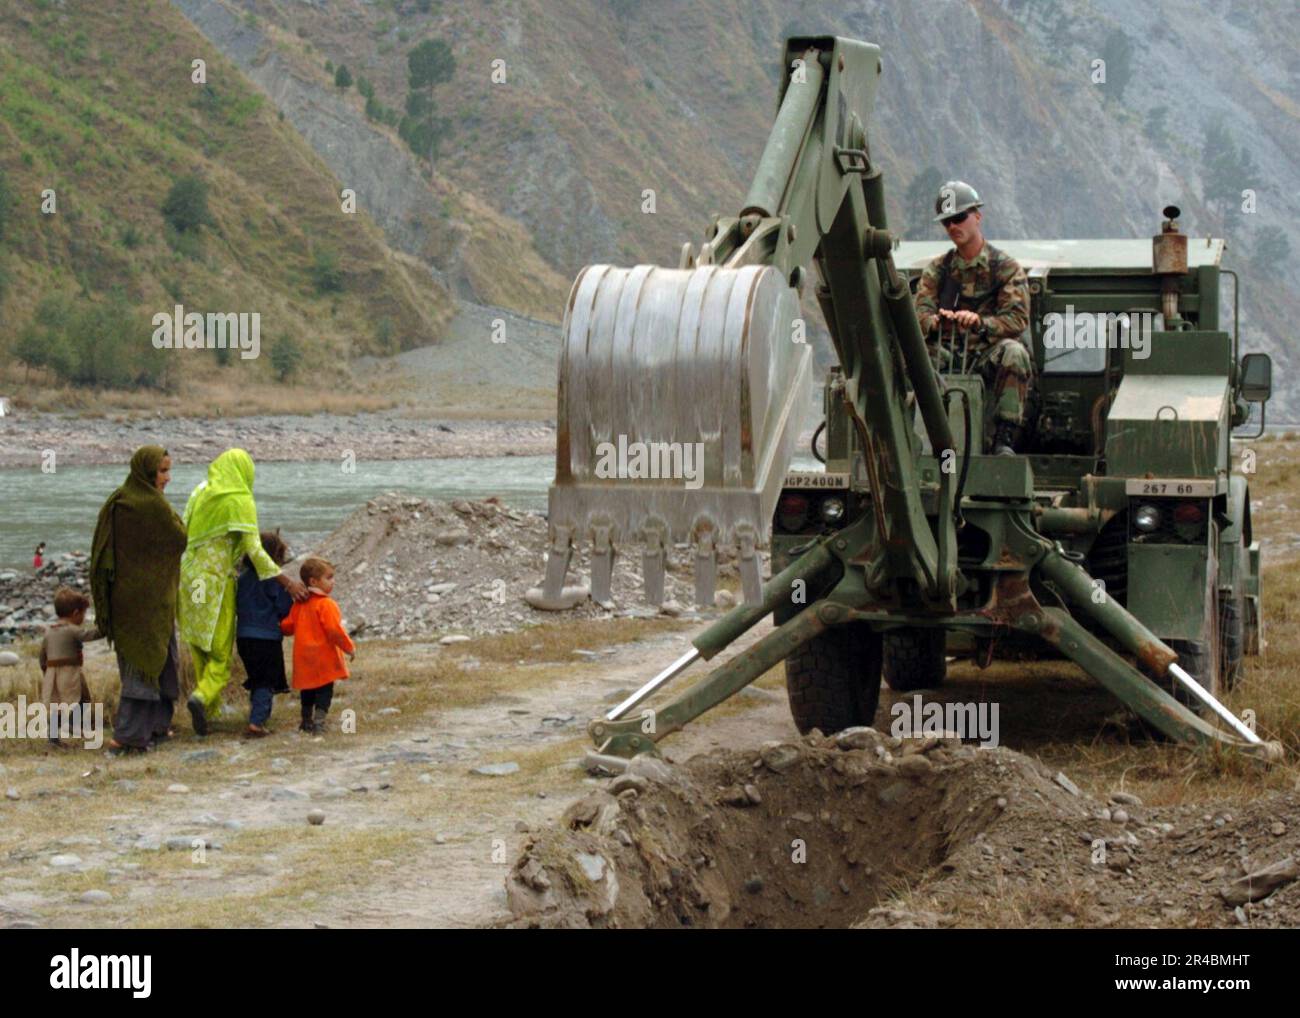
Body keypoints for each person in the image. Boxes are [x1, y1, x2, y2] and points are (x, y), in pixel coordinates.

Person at [178, 449, 307, 736]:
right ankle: (201, 698)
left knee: (199, 645)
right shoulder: (240, 499)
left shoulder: (201, 491)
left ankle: (207, 713)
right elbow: (255, 549)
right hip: (214, 581)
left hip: (188, 578)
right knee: (220, 653)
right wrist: (287, 582)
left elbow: (183, 528)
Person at [913, 180, 1033, 455]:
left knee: (1014, 353)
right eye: (947, 223)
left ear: (977, 216)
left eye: (959, 218)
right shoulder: (938, 270)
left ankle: (1003, 438)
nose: (953, 227)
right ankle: (917, 436)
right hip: (945, 352)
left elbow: (1016, 319)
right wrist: (937, 322)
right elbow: (919, 313)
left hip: (986, 353)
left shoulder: (1005, 268)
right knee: (912, 358)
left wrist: (979, 323)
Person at [90, 446, 189, 754]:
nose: (167, 478)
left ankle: (154, 728)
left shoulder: (119, 501)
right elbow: (179, 539)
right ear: (146, 471)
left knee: (153, 662)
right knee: (146, 665)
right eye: (162, 471)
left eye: (168, 470)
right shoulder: (150, 505)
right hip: (145, 604)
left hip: (132, 601)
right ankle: (128, 737)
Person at [281, 557, 355, 734]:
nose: (333, 581)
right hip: (323, 658)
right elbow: (334, 630)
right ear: (314, 581)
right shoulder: (326, 604)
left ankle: (306, 720)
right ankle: (319, 722)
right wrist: (349, 647)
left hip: (304, 658)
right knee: (324, 690)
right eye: (329, 578)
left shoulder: (299, 605)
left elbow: (287, 626)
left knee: (307, 690)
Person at [235, 530, 294, 738]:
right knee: (266, 681)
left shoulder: (241, 579)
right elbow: (283, 608)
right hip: (267, 637)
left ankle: (256, 714)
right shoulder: (275, 580)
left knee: (255, 677)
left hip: (243, 637)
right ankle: (257, 722)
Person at [38, 587, 102, 747]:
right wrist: (106, 629)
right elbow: (89, 635)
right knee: (79, 699)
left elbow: (42, 655)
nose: (83, 618)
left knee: (56, 705)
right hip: (69, 672)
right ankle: (75, 723)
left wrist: (46, 672)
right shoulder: (72, 630)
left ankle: (53, 738)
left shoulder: (49, 632)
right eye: (83, 615)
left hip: (52, 673)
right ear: (75, 613)